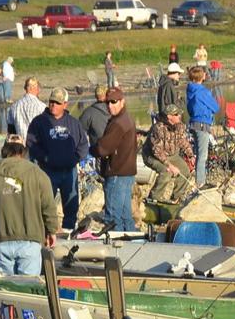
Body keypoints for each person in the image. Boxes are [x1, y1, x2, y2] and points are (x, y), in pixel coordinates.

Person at [0, 140, 59, 276]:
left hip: (0, 240)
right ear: (23, 153)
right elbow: (48, 206)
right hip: (30, 241)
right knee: (27, 291)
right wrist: (52, 231)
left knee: (5, 289)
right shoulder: (38, 174)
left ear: (4, 153)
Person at [25, 87, 88, 232]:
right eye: (51, 101)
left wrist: (75, 159)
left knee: (71, 206)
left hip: (69, 171)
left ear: (65, 104)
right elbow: (31, 144)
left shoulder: (73, 122)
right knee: (45, 205)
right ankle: (44, 233)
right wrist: (45, 158)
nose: (53, 105)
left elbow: (83, 144)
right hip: (48, 171)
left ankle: (68, 231)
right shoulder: (39, 122)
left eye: (57, 103)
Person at [94, 87, 138, 233]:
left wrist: (90, 149)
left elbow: (103, 148)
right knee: (126, 216)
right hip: (127, 172)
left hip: (117, 173)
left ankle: (116, 247)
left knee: (113, 217)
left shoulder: (119, 122)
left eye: (114, 102)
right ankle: (132, 240)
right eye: (107, 102)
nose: (110, 105)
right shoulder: (126, 119)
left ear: (122, 102)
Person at [142, 105, 196, 212]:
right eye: (176, 115)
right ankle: (153, 199)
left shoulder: (179, 126)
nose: (179, 116)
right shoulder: (158, 128)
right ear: (169, 116)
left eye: (179, 114)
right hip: (153, 156)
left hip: (172, 155)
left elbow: (183, 141)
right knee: (166, 172)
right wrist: (169, 165)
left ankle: (176, 198)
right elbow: (157, 151)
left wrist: (191, 155)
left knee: (185, 171)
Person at [184, 66, 218, 188]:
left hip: (193, 123)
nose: (206, 74)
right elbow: (215, 107)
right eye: (204, 73)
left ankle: (201, 179)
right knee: (202, 155)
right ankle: (200, 182)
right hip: (202, 123)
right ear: (201, 76)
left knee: (199, 153)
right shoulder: (203, 91)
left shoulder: (190, 89)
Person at [79, 85, 112, 157]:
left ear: (96, 96)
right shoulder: (115, 108)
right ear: (107, 95)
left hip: (98, 152)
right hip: (115, 151)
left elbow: (79, 130)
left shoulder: (88, 112)